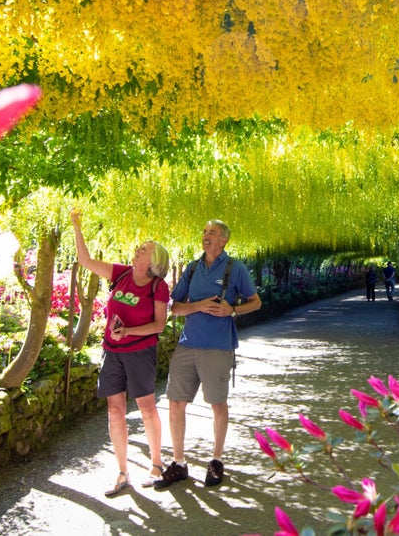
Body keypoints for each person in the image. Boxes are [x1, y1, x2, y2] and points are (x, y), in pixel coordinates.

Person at [154, 219, 261, 489]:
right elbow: (175, 307)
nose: (205, 236)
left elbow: (256, 302)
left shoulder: (235, 269)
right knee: (176, 402)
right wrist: (199, 305)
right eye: (203, 231)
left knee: (217, 404)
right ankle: (178, 463)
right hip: (187, 344)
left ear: (223, 240)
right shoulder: (192, 269)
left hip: (217, 346)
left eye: (211, 233)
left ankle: (216, 460)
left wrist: (232, 310)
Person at [71, 209, 171, 496]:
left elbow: (159, 325)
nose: (136, 251)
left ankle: (156, 465)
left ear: (153, 262)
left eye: (143, 250)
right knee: (115, 410)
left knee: (146, 407)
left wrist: (128, 332)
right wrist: (77, 226)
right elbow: (85, 261)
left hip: (140, 352)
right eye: (139, 248)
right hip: (111, 351)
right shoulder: (121, 273)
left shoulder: (157, 286)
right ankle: (122, 472)